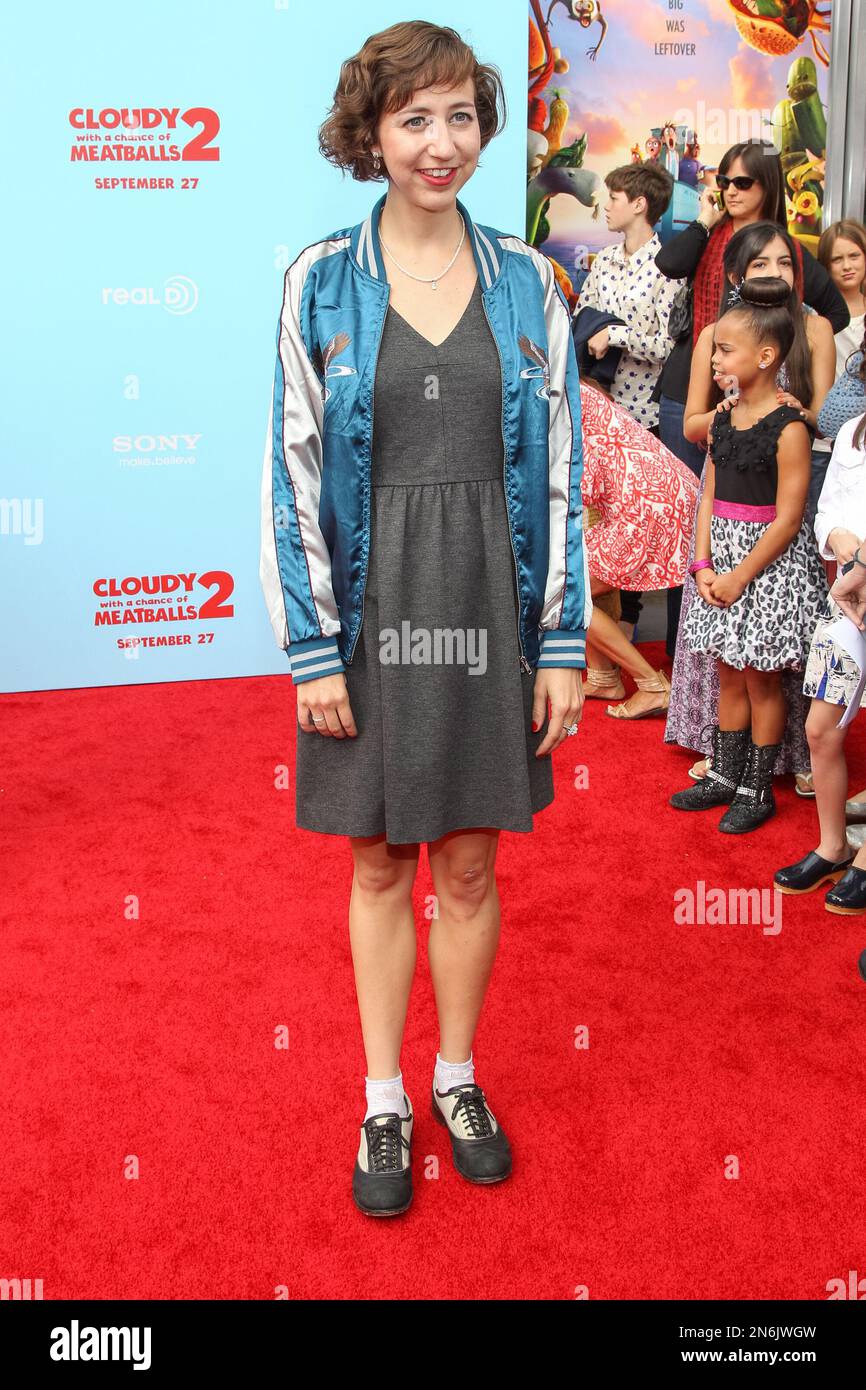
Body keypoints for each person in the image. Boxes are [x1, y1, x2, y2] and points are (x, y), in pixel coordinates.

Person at [259, 21, 590, 1218]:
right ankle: (381, 1095)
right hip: (370, 606)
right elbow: (292, 471)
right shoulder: (318, 280)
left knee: (468, 854)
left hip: (487, 603)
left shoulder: (527, 283)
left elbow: (557, 467)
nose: (439, 143)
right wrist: (309, 644)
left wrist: (560, 639)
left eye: (459, 116)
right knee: (380, 858)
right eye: (413, 120)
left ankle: (456, 1074)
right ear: (370, 134)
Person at [653, 138, 848, 657]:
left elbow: (827, 422)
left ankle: (780, 738)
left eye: (785, 264)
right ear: (739, 277)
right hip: (729, 498)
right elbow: (696, 426)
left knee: (777, 646)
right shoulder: (718, 334)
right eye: (762, 266)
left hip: (786, 501)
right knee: (724, 640)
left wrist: (787, 415)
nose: (776, 274)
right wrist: (728, 416)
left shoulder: (816, 330)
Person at [665, 223, 834, 795]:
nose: (714, 360)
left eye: (724, 352)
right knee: (727, 670)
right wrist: (704, 565)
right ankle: (723, 772)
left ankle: (755, 787)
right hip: (721, 563)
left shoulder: (788, 428)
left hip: (765, 566)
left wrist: (738, 574)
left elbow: (789, 518)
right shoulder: (719, 420)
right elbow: (709, 492)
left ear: (765, 356)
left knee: (763, 680)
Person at [575, 159, 682, 638]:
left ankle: (631, 632)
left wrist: (615, 333)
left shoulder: (667, 269)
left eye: (614, 198)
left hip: (645, 413)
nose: (606, 206)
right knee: (600, 522)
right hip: (601, 407)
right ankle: (608, 644)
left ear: (639, 204)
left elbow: (668, 345)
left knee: (635, 526)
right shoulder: (604, 261)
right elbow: (581, 317)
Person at [775, 410, 866, 911]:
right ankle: (833, 845)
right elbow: (826, 511)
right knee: (820, 727)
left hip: (858, 586)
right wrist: (840, 542)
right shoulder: (853, 429)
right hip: (849, 603)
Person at [578, 381, 697, 717]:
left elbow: (585, 485)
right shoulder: (573, 389)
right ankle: (603, 677)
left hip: (648, 506)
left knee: (570, 593)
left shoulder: (556, 399)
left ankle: (652, 685)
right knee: (583, 574)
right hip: (657, 495)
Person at [816, 220, 866, 445]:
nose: (847, 266)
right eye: (837, 259)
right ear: (825, 265)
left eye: (854, 256)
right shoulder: (816, 316)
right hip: (822, 440)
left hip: (860, 438)